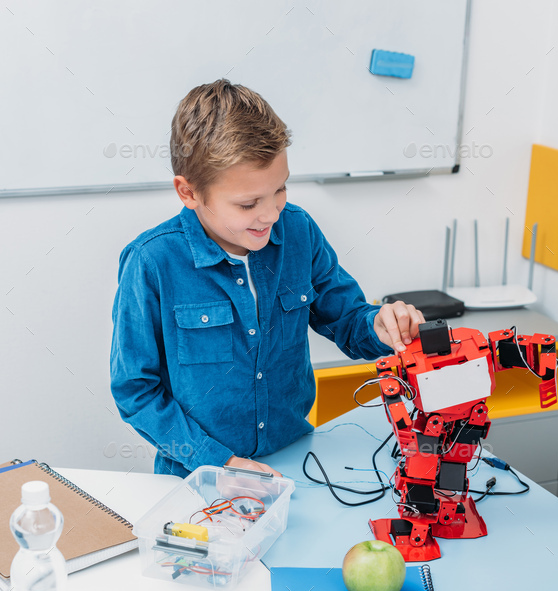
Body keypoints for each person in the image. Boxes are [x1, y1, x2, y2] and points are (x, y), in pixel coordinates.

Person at [110, 80, 424, 478]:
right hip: (199, 476)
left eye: (280, 189)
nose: (271, 213)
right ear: (188, 192)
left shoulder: (299, 231)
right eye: (247, 204)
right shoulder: (151, 262)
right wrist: (218, 462)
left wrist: (380, 325)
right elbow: (135, 392)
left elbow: (347, 320)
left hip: (296, 461)